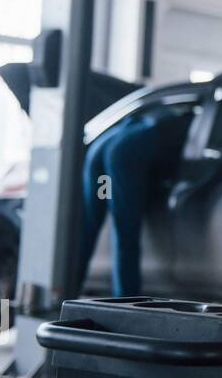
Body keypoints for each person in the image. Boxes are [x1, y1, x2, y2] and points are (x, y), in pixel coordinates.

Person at [76, 108, 191, 298]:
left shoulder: (164, 117)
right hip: (123, 155)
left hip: (102, 146)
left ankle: (63, 294)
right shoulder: (189, 125)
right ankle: (125, 302)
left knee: (88, 228)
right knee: (125, 232)